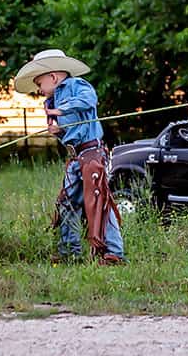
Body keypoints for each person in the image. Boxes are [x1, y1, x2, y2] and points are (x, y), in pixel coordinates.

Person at [14, 50, 125, 265]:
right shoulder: (51, 101)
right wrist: (58, 130)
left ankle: (113, 253)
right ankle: (69, 252)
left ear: (53, 77)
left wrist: (60, 111)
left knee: (99, 200)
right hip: (76, 157)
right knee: (67, 203)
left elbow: (89, 100)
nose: (39, 88)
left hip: (92, 153)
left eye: (40, 82)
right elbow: (69, 129)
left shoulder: (76, 86)